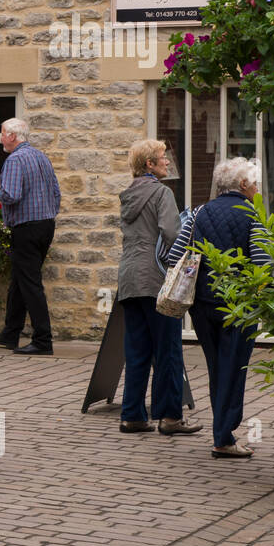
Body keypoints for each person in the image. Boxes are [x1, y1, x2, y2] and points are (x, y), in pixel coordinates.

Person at [165, 157, 271, 458]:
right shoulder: (252, 215)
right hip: (238, 307)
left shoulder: (199, 213)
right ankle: (223, 438)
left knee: (217, 368)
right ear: (243, 185)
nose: (257, 190)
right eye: (255, 184)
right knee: (234, 369)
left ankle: (221, 433)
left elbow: (174, 255)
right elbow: (262, 264)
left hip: (202, 307)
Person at [116, 140, 201, 435]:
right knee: (168, 350)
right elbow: (172, 232)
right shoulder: (162, 192)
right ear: (149, 164)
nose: (168, 162)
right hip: (156, 280)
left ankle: (133, 416)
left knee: (137, 350)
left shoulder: (128, 194)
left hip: (128, 279)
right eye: (163, 158)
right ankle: (170, 417)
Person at [0, 118, 60, 355]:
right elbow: (56, 192)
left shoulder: (15, 159)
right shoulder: (41, 156)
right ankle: (11, 333)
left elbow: (11, 195)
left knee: (30, 283)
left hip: (26, 228)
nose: (0, 138)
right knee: (20, 279)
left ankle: (43, 340)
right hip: (45, 225)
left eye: (2, 134)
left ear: (11, 136)